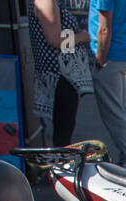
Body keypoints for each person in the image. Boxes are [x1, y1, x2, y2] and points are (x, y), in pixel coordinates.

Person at [30, 0, 94, 147]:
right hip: (58, 76)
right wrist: (83, 37)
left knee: (62, 132)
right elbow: (54, 40)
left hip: (61, 75)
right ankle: (58, 166)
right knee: (61, 135)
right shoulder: (46, 2)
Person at [90, 0, 126, 169]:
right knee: (122, 109)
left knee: (114, 112)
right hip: (119, 53)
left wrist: (99, 60)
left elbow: (104, 28)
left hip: (109, 56)